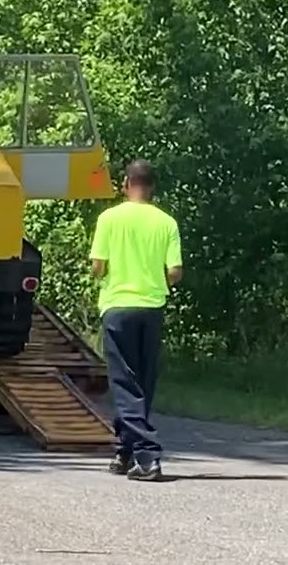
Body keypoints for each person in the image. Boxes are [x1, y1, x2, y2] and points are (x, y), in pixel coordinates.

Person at [89, 158, 183, 482]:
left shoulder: (108, 219)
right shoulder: (166, 223)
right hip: (152, 306)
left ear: (126, 184)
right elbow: (175, 272)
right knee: (143, 381)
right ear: (152, 186)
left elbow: (98, 266)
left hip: (118, 305)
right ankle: (124, 451)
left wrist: (109, 271)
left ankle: (146, 455)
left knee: (125, 383)